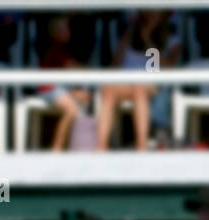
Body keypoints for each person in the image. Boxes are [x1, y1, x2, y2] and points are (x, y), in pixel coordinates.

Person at [96, 11, 181, 150]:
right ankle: (101, 146)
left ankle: (141, 145)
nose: (149, 17)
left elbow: (164, 67)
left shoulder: (173, 40)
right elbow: (116, 64)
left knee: (139, 89)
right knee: (108, 90)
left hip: (150, 81)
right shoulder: (128, 36)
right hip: (124, 81)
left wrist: (147, 39)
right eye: (147, 13)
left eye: (154, 14)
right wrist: (131, 36)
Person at [36, 15, 93, 152]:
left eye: (68, 28)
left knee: (85, 98)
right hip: (49, 88)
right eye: (64, 29)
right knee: (71, 110)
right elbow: (73, 68)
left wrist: (73, 92)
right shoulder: (54, 50)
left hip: (60, 88)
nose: (68, 32)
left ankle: (77, 146)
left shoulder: (64, 49)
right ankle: (57, 149)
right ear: (54, 33)